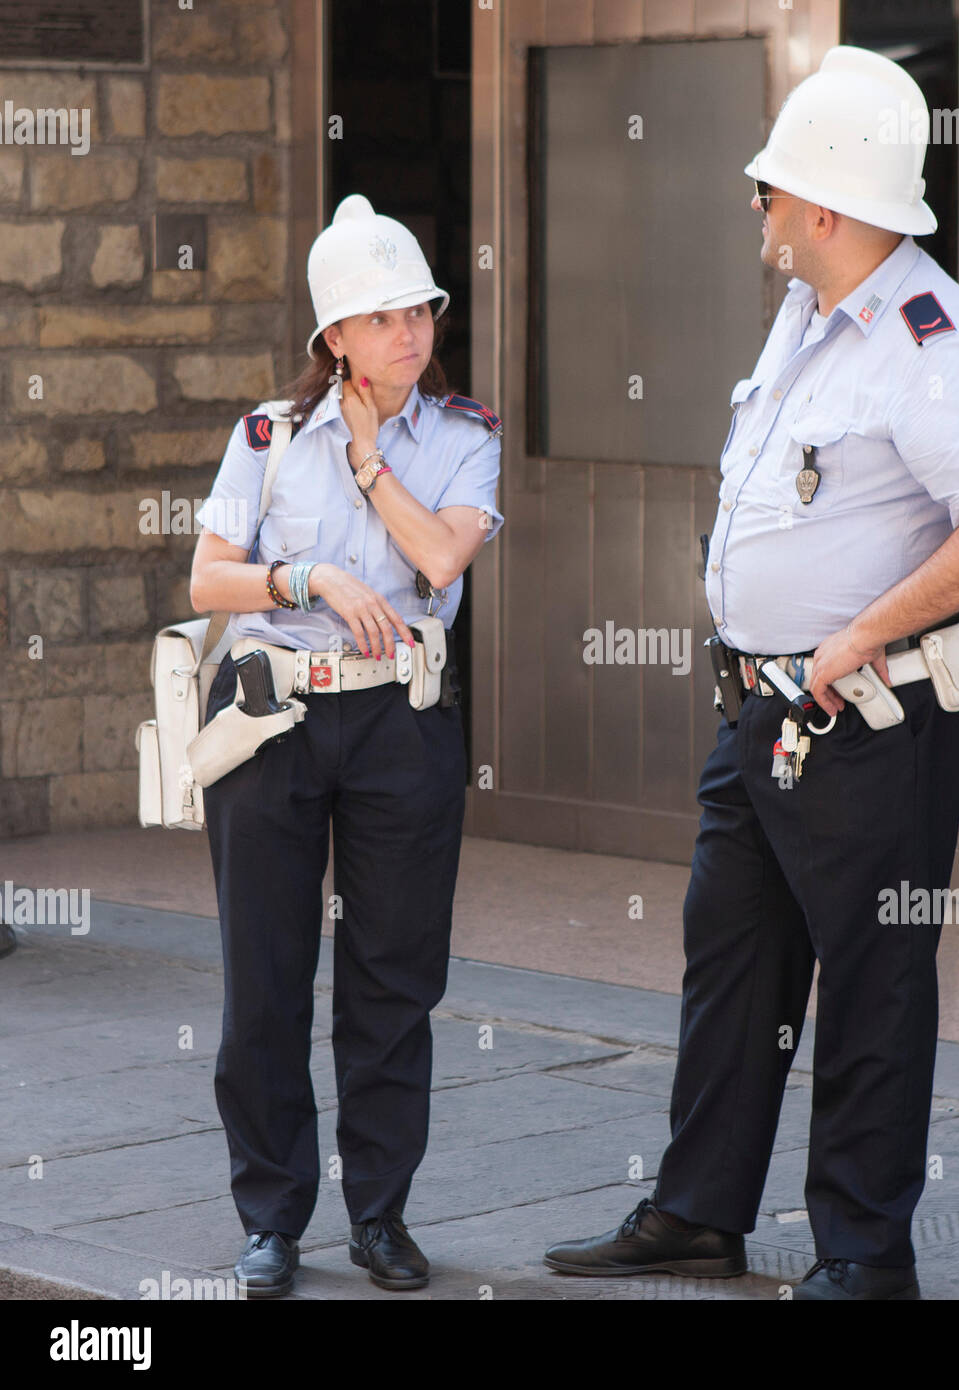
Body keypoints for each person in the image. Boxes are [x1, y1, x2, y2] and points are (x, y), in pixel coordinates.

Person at [544, 47, 959, 1300]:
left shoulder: (930, 340)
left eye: (767, 188)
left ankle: (864, 1256)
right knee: (732, 961)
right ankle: (698, 1210)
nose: (755, 205)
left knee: (872, 979)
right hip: (763, 712)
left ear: (823, 206)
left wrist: (861, 630)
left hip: (864, 715)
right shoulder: (808, 313)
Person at [189, 194, 503, 1297]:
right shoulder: (266, 436)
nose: (409, 334)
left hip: (398, 720)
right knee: (264, 976)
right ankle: (271, 1219)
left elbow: (438, 563)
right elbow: (207, 576)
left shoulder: (463, 439)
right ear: (334, 339)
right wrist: (308, 576)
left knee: (391, 978)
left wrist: (372, 461)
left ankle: (380, 1216)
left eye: (419, 310)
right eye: (380, 318)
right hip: (274, 713)